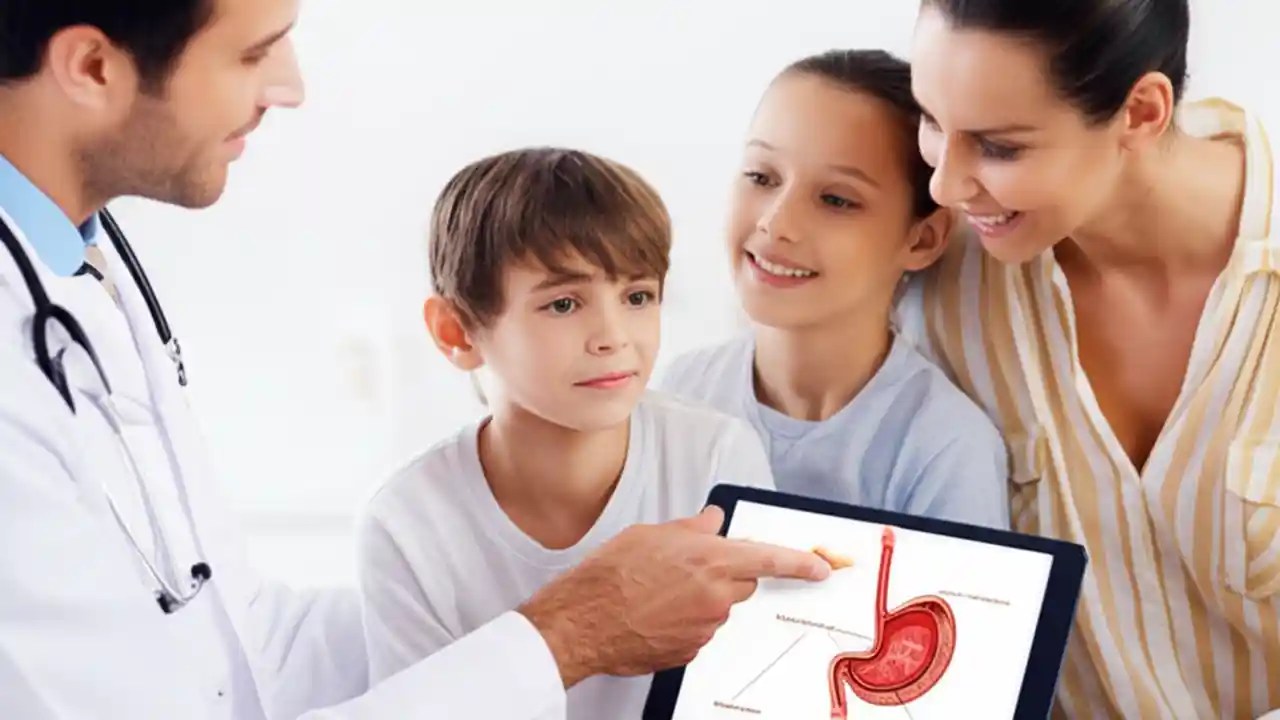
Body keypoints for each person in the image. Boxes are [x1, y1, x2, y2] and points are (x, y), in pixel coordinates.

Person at [0, 2, 831, 718]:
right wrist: (562, 633)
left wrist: (499, 603)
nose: (291, 86)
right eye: (253, 53)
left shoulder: (77, 269)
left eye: (639, 295)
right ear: (92, 67)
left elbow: (231, 635)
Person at [899, 0, 1280, 717]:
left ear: (1140, 111)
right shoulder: (933, 275)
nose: (945, 184)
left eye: (999, 147)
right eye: (930, 120)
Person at [354, 147, 780, 719]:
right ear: (457, 332)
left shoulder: (715, 458)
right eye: (563, 304)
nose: (613, 336)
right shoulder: (407, 522)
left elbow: (755, 689)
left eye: (637, 297)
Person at [656, 49, 1009, 529]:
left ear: (922, 239)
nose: (776, 222)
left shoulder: (942, 446)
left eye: (836, 200)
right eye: (761, 177)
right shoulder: (681, 391)